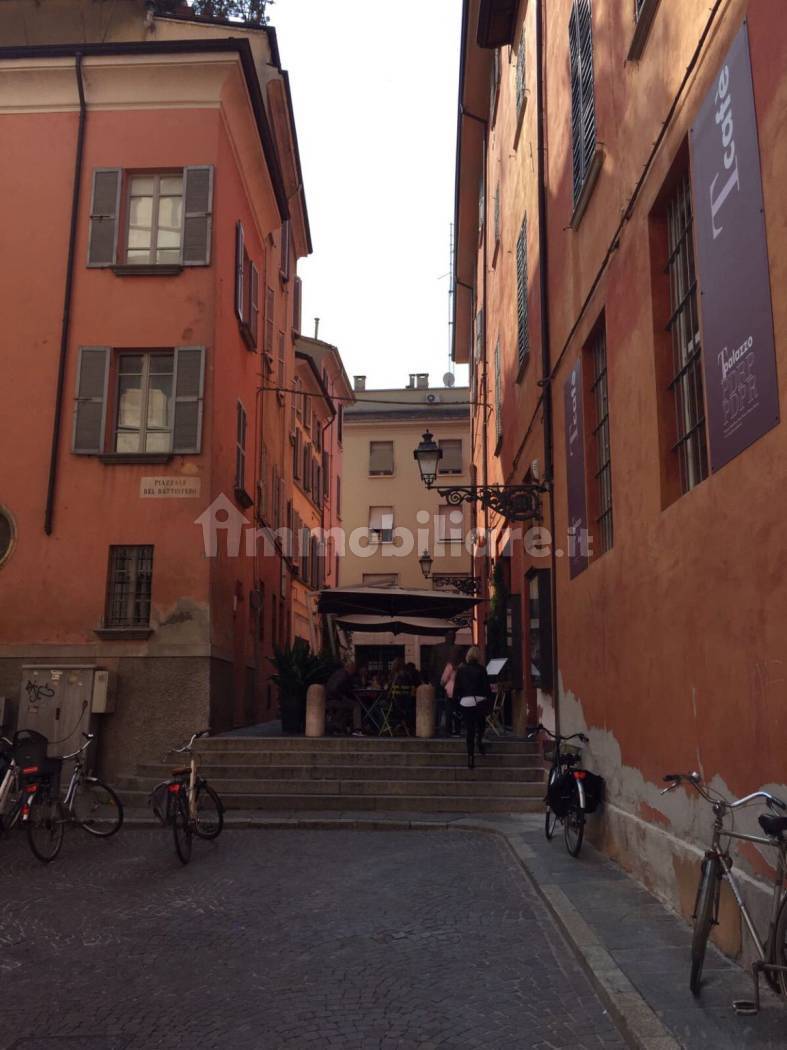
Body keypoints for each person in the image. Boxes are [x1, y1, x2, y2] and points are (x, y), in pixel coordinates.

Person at [452, 646, 492, 769]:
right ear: (478, 656)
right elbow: (486, 688)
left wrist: (456, 705)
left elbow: (456, 689)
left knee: (469, 730)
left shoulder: (461, 670)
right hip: (479, 700)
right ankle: (479, 741)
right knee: (480, 725)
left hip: (466, 701)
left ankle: (470, 757)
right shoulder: (482, 669)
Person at [325, 660, 359, 735]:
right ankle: (357, 729)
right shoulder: (343, 675)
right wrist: (342, 697)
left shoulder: (339, 673)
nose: (354, 671)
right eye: (353, 669)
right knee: (356, 706)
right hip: (333, 700)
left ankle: (338, 727)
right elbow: (334, 689)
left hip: (330, 699)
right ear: (349, 668)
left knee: (348, 707)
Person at [438, 645, 461, 737]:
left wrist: (443, 685)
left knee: (449, 711)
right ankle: (457, 730)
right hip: (460, 691)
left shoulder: (450, 666)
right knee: (458, 711)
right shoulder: (462, 666)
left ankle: (449, 730)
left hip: (450, 691)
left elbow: (443, 680)